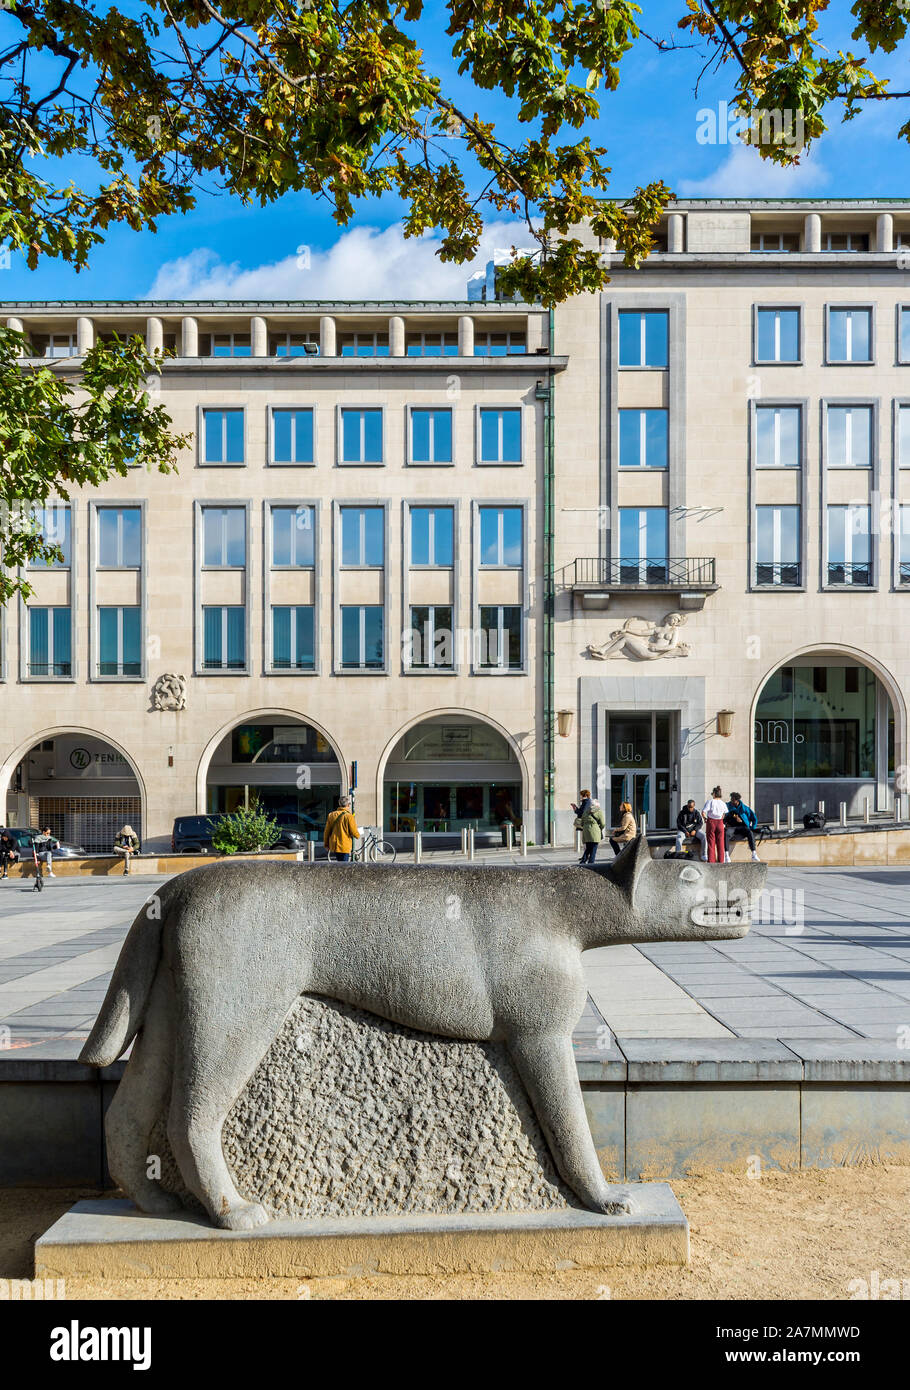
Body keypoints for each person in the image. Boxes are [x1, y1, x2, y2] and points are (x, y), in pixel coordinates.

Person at [724, 793, 761, 863]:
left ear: (737, 800)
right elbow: (723, 817)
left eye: (733, 800)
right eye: (731, 799)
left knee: (749, 832)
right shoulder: (727, 806)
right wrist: (726, 823)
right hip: (732, 827)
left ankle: (754, 854)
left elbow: (754, 818)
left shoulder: (744, 808)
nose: (731, 801)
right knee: (726, 833)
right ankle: (726, 855)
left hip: (742, 827)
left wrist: (753, 827)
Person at [323, 795, 360, 863]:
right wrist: (358, 835)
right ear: (348, 805)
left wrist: (326, 844)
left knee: (339, 863)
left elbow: (326, 831)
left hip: (335, 845)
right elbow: (353, 831)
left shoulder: (331, 815)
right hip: (344, 845)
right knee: (344, 865)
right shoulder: (349, 816)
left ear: (339, 804)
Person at [573, 789, 606, 866]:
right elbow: (603, 823)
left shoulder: (586, 811)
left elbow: (582, 821)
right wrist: (599, 828)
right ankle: (591, 864)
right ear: (597, 805)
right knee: (593, 849)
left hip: (586, 832)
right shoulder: (599, 811)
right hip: (595, 831)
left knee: (588, 848)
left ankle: (583, 862)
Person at [702, 787, 727, 864]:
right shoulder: (723, 803)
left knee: (711, 842)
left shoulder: (710, 802)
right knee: (721, 842)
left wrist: (705, 819)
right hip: (720, 822)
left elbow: (703, 812)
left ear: (714, 794)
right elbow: (724, 814)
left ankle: (711, 861)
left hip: (711, 822)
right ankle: (721, 861)